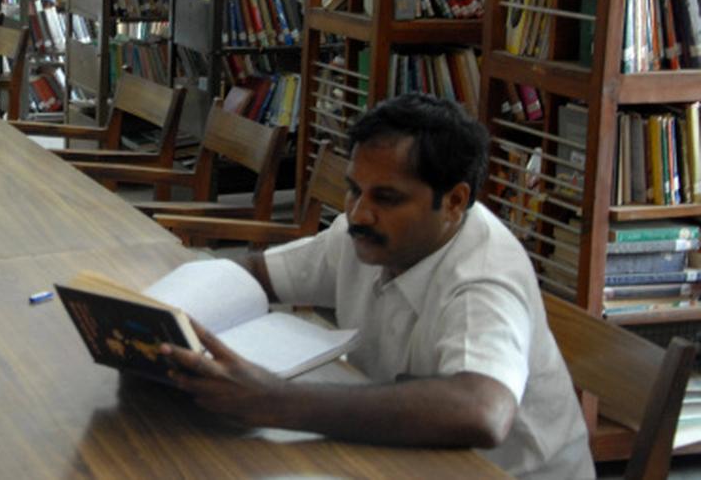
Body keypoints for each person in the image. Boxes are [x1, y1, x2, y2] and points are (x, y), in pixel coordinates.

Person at [160, 93, 594, 480]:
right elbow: (257, 272)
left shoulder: (483, 277)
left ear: (455, 202)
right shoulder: (368, 232)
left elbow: (482, 410)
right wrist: (164, 312)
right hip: (407, 458)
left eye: (386, 198)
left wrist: (271, 399)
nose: (359, 214)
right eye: (354, 191)